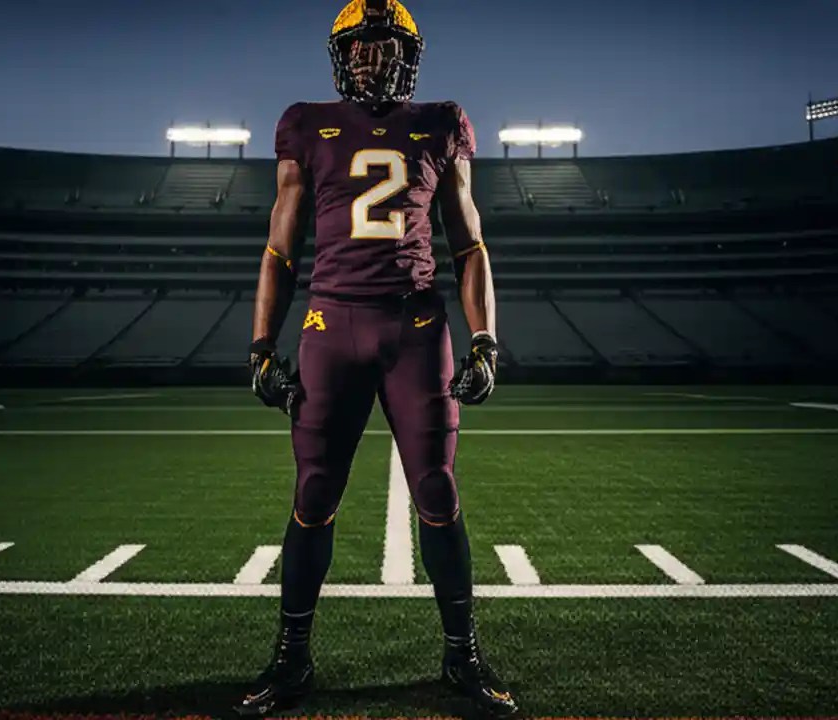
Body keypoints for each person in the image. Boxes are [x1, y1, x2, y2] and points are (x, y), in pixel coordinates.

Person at [237, 0, 514, 716]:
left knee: (439, 493)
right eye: (358, 48)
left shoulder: (442, 122)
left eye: (384, 47)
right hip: (331, 324)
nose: (370, 59)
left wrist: (485, 338)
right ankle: (291, 660)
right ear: (340, 56)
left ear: (409, 56)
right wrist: (262, 347)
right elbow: (279, 246)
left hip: (417, 328)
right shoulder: (306, 124)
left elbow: (469, 244)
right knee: (313, 496)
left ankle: (464, 658)